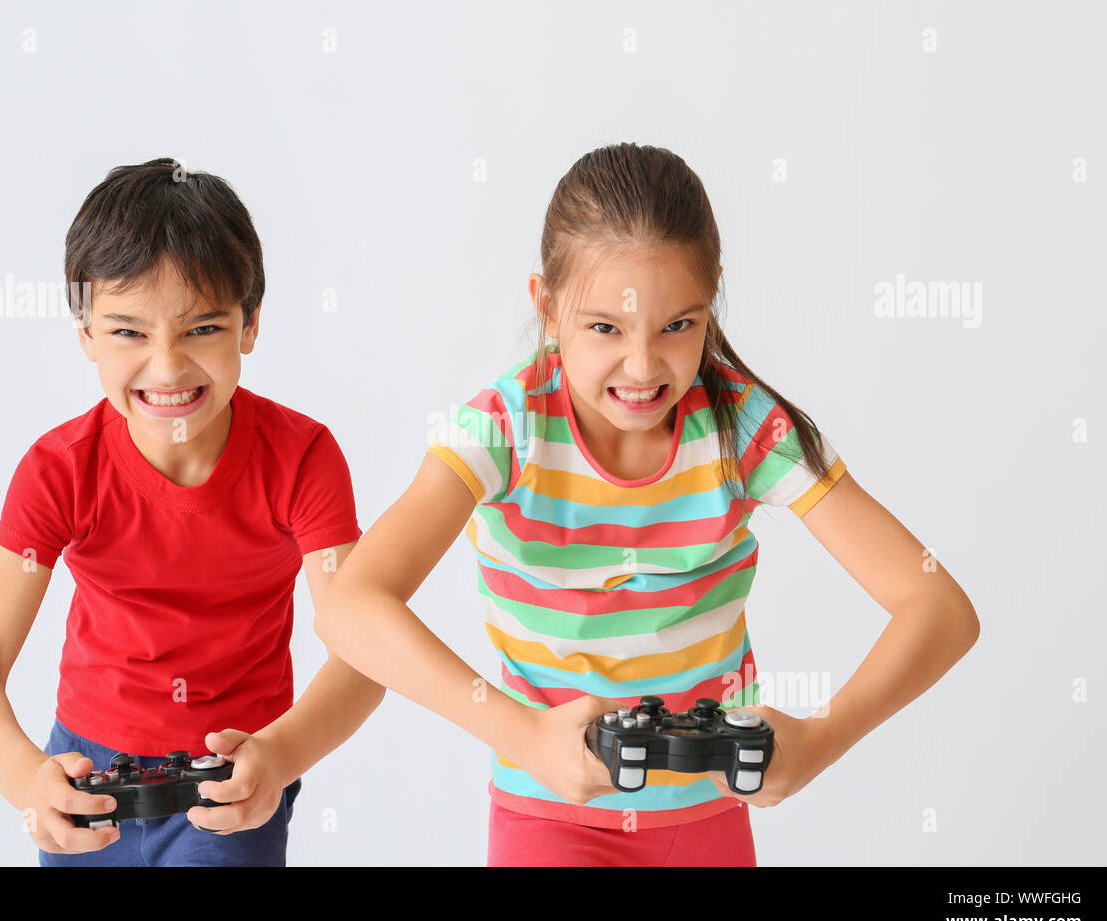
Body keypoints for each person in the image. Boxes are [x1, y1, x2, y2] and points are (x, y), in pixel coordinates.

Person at [313, 142, 980, 866]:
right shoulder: (503, 430)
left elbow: (939, 607)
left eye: (678, 325)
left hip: (707, 819)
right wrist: (525, 736)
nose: (642, 365)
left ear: (711, 298)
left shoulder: (742, 426)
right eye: (605, 327)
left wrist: (821, 738)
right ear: (546, 307)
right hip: (550, 819)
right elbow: (349, 609)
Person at [0, 158, 384, 866]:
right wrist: (28, 779)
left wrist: (280, 755)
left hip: (234, 780)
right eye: (128, 333)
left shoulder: (303, 458)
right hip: (85, 774)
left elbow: (365, 653)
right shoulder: (58, 470)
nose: (169, 367)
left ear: (250, 324)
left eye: (202, 328)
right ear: (85, 333)